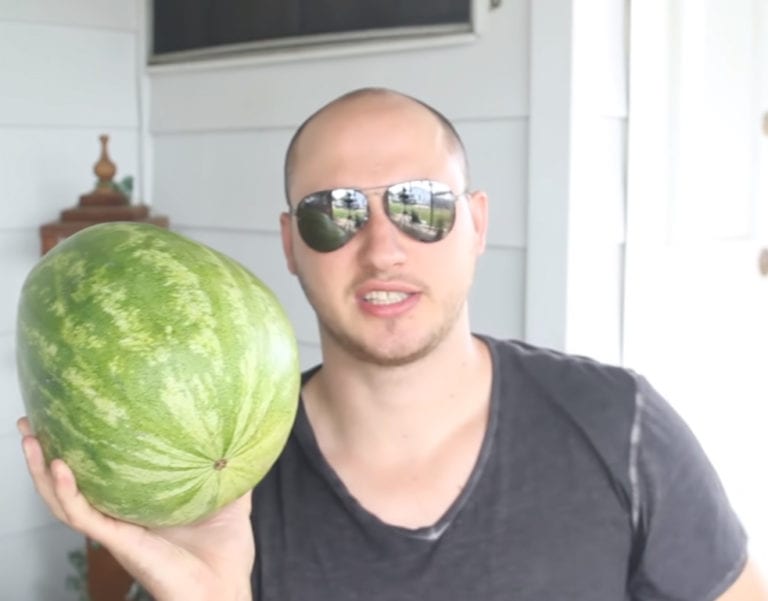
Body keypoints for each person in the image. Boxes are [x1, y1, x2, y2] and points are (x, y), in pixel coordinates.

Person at [18, 88, 768, 601]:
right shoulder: (220, 494)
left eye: (421, 205)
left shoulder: (622, 423)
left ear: (476, 222)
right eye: (333, 213)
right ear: (290, 242)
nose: (382, 247)